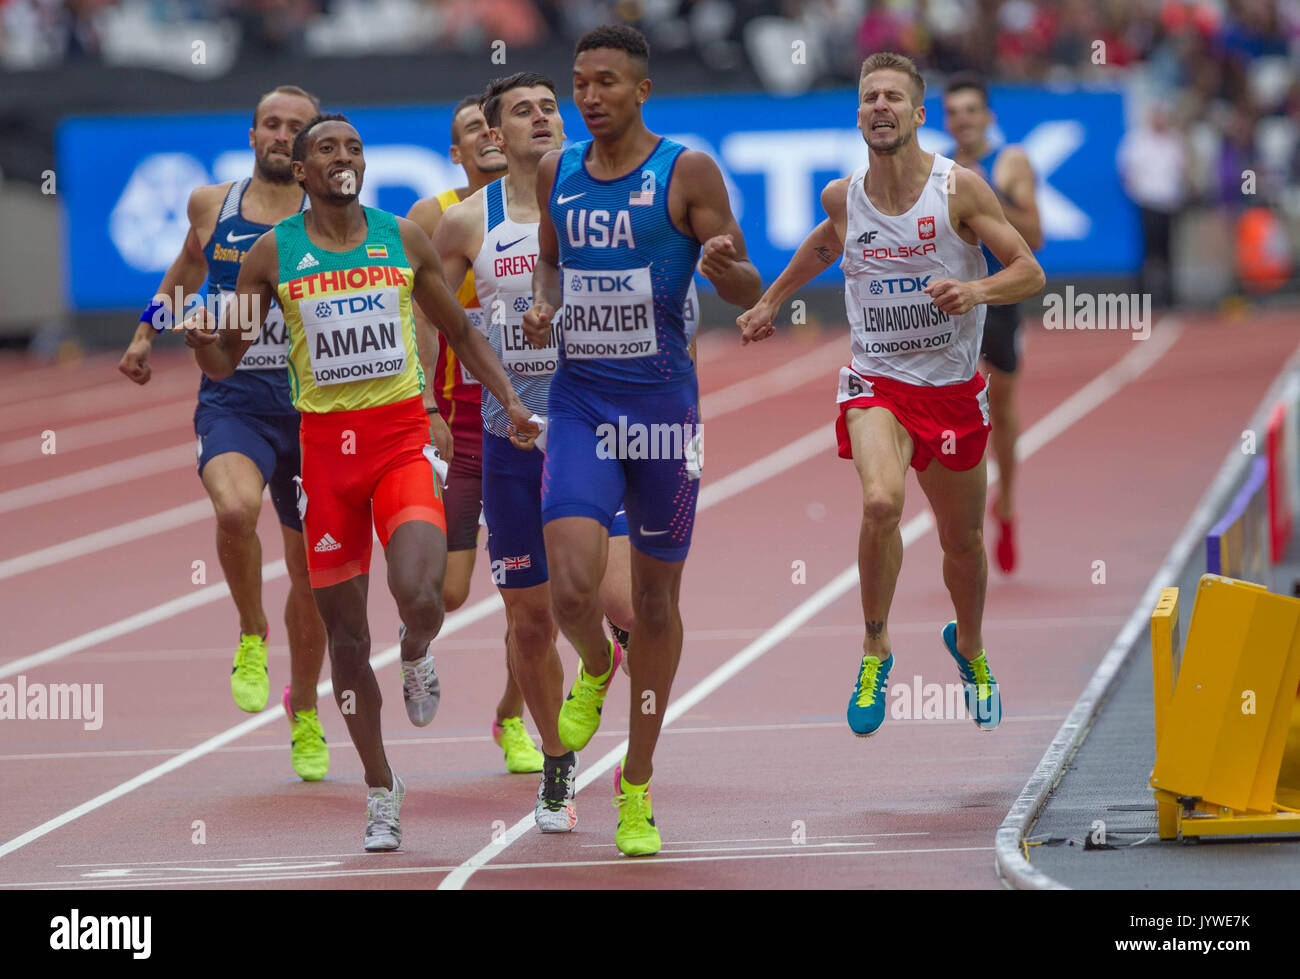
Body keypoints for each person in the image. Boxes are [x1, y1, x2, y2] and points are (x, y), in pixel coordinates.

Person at [182, 113, 538, 851]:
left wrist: (508, 401)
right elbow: (226, 362)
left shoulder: (400, 238)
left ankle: (415, 651)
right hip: (326, 460)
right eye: (326, 150)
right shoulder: (269, 257)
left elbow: (463, 332)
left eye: (353, 148)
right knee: (345, 636)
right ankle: (382, 786)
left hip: (399, 440)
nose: (342, 158)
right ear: (304, 173)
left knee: (422, 594)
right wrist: (201, 341)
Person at [738, 52, 1044, 739]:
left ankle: (969, 646)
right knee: (880, 500)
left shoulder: (959, 189)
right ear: (859, 114)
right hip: (876, 381)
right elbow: (824, 245)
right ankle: (875, 648)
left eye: (893, 97)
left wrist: (974, 290)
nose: (880, 106)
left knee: (962, 543)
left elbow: (1030, 270)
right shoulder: (843, 197)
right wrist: (770, 300)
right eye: (869, 96)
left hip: (953, 393)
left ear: (916, 114)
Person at [523, 25, 761, 856]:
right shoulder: (558, 172)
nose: (589, 97)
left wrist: (727, 267)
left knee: (656, 604)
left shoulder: (685, 169)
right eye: (581, 83)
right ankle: (595, 664)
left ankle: (636, 784)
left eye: (607, 84)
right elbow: (550, 262)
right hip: (581, 401)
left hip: (663, 412)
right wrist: (548, 301)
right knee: (573, 588)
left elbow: (744, 281)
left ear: (642, 90)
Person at [435, 71, 638, 833]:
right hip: (510, 437)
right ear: (494, 135)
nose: (543, 118)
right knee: (527, 621)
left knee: (613, 602)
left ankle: (600, 662)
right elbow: (440, 316)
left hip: (592, 428)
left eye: (550, 106)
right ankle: (558, 761)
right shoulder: (464, 225)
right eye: (523, 111)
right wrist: (443, 394)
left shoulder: (602, 200)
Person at [117, 86, 330, 781]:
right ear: (253, 134)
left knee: (312, 575)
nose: (280, 135)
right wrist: (147, 333)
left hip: (312, 408)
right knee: (235, 508)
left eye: (295, 128)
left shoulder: (331, 212)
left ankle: (304, 712)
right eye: (271, 123)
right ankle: (250, 630)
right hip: (234, 398)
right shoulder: (213, 204)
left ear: (309, 144)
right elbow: (187, 268)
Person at [407, 95, 543, 774]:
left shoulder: (552, 204)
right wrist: (428, 403)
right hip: (465, 418)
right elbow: (423, 318)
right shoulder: (441, 220)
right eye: (470, 133)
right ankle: (415, 642)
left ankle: (511, 716)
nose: (487, 141)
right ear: (458, 152)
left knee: (532, 597)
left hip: (537, 417)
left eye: (490, 129)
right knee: (451, 592)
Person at [942, 72, 1043, 574]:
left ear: (988, 117)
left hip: (999, 295)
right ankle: (967, 513)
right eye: (954, 112)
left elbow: (1036, 236)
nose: (963, 120)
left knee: (999, 401)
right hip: (953, 298)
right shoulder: (935, 167)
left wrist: (984, 196)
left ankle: (1006, 504)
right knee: (958, 404)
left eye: (971, 111)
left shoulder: (1011, 162)